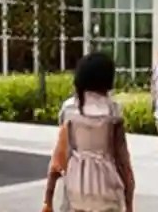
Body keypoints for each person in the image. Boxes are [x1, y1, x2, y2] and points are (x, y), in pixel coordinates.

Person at [42, 52, 135, 212]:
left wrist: (48, 198)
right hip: (106, 185)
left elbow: (60, 155)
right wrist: (129, 202)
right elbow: (122, 160)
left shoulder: (69, 109)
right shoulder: (113, 111)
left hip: (76, 184)